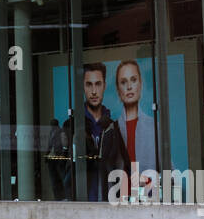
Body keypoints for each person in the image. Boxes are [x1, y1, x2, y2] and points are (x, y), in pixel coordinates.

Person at [80, 63, 129, 201]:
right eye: (89, 84)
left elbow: (120, 166)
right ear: (83, 87)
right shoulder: (75, 126)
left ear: (104, 86)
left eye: (98, 84)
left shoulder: (112, 127)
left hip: (108, 201)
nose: (94, 91)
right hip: (81, 202)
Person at [116, 59, 157, 200]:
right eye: (123, 82)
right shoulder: (112, 130)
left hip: (147, 200)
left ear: (140, 84)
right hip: (118, 201)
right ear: (118, 89)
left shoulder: (153, 126)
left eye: (133, 80)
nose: (128, 87)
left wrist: (149, 179)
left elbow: (171, 174)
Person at [45, 118, 73, 200]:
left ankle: (64, 197)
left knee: (62, 178)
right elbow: (49, 145)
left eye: (53, 124)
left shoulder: (61, 132)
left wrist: (62, 156)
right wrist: (46, 155)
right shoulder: (51, 132)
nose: (52, 126)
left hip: (58, 157)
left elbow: (65, 145)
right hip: (52, 158)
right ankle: (57, 197)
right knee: (54, 180)